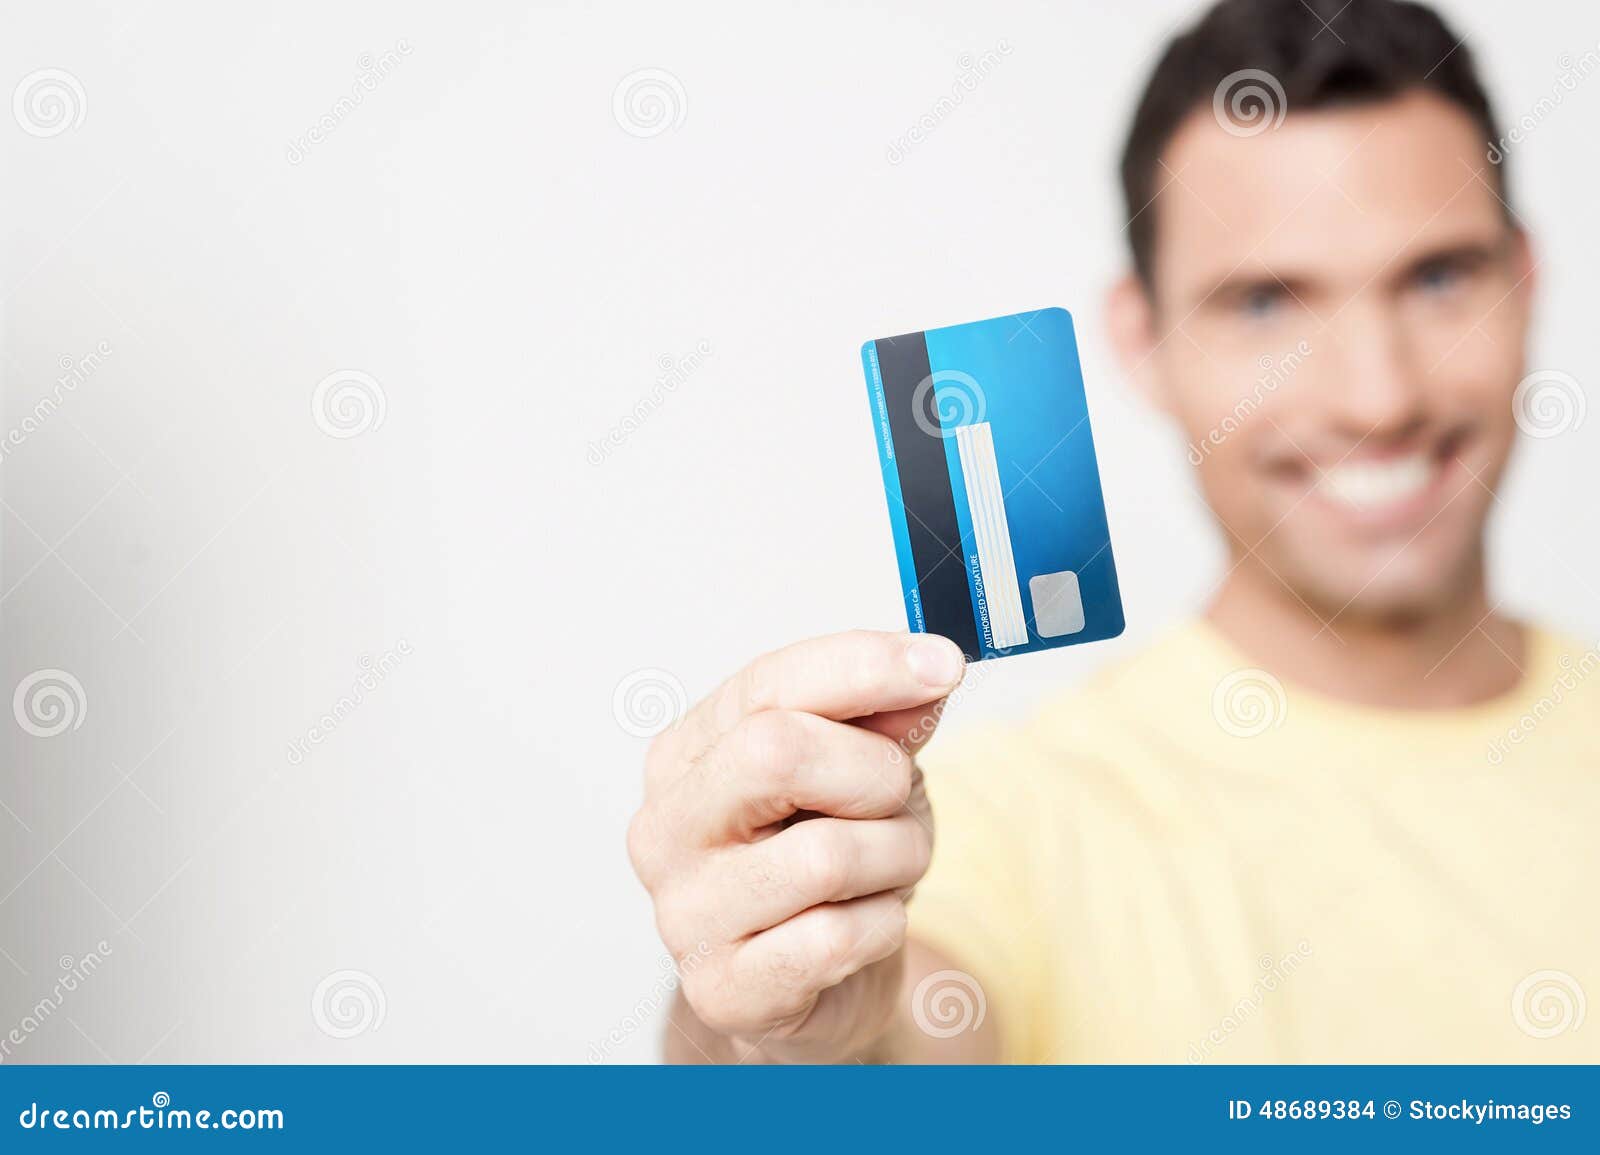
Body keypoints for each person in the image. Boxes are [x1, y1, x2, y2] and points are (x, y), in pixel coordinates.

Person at [626, 0, 1599, 1063]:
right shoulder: (1005, 825)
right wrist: (801, 1032)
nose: (1376, 397)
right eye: (1267, 302)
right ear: (1140, 342)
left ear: (1526, 281)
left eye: (1438, 277)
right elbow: (887, 1052)